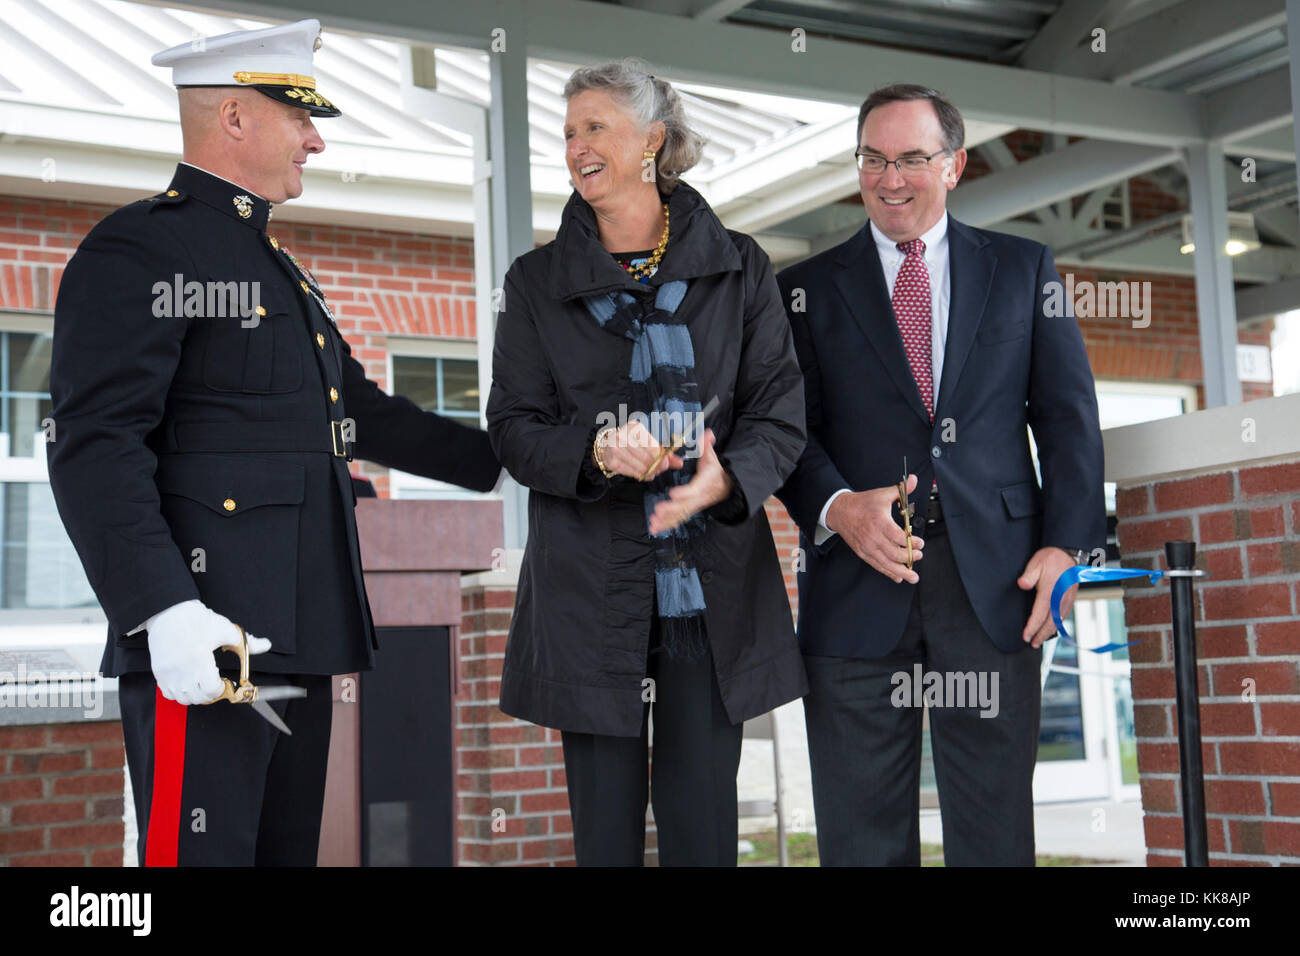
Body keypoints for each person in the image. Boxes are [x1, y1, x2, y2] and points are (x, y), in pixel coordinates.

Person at [47, 19, 501, 867]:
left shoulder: (277, 268)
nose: (317, 140)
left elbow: (357, 413)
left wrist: (510, 450)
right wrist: (164, 611)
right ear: (235, 118)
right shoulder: (145, 247)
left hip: (300, 634)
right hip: (207, 637)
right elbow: (94, 443)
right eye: (301, 118)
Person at [486, 59, 807, 866]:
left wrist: (724, 475)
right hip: (589, 600)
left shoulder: (739, 267)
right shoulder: (533, 284)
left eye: (595, 127)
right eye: (567, 133)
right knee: (604, 841)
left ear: (651, 142)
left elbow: (778, 413)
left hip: (712, 598)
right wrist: (595, 449)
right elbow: (513, 429)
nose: (575, 147)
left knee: (703, 834)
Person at [776, 84, 1105, 866]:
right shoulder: (802, 290)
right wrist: (836, 507)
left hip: (996, 590)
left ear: (954, 166)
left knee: (993, 837)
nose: (891, 179)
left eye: (913, 159)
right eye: (873, 159)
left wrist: (1067, 549)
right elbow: (786, 431)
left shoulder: (1025, 269)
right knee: (859, 840)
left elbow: (1066, 420)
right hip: (855, 588)